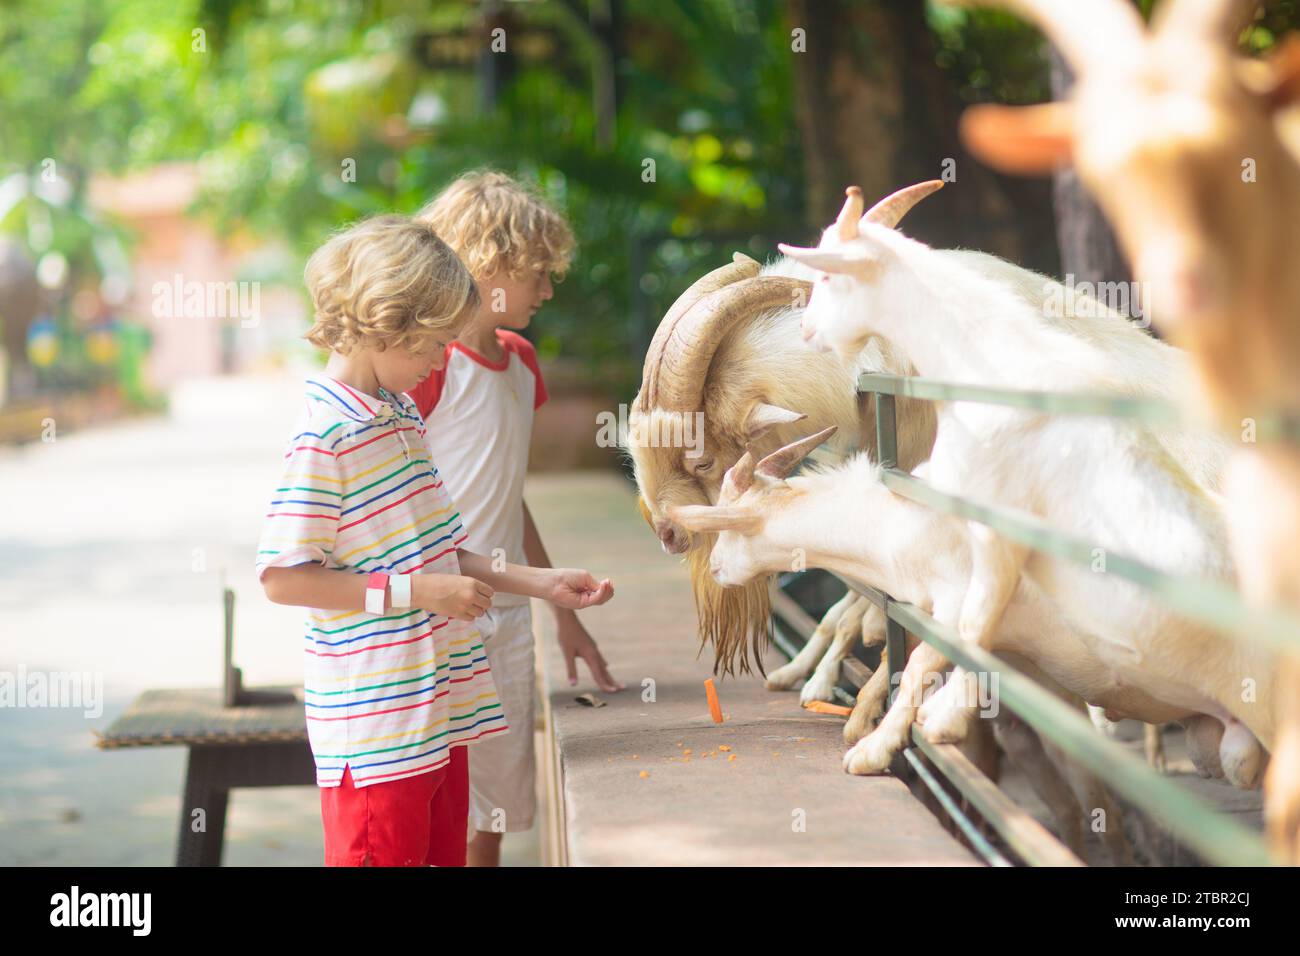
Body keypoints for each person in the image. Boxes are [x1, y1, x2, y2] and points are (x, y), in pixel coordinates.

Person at [256, 214, 613, 866]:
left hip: (439, 720)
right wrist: (419, 592)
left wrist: (542, 584)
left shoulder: (397, 417)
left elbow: (444, 554)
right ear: (385, 323)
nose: (435, 361)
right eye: (429, 345)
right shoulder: (323, 435)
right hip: (376, 739)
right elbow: (286, 579)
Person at [410, 171, 624, 866]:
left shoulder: (522, 364)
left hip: (504, 619)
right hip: (432, 617)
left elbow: (508, 494)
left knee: (492, 809)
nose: (548, 289)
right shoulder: (429, 366)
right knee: (432, 800)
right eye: (538, 272)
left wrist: (560, 611)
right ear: (486, 263)